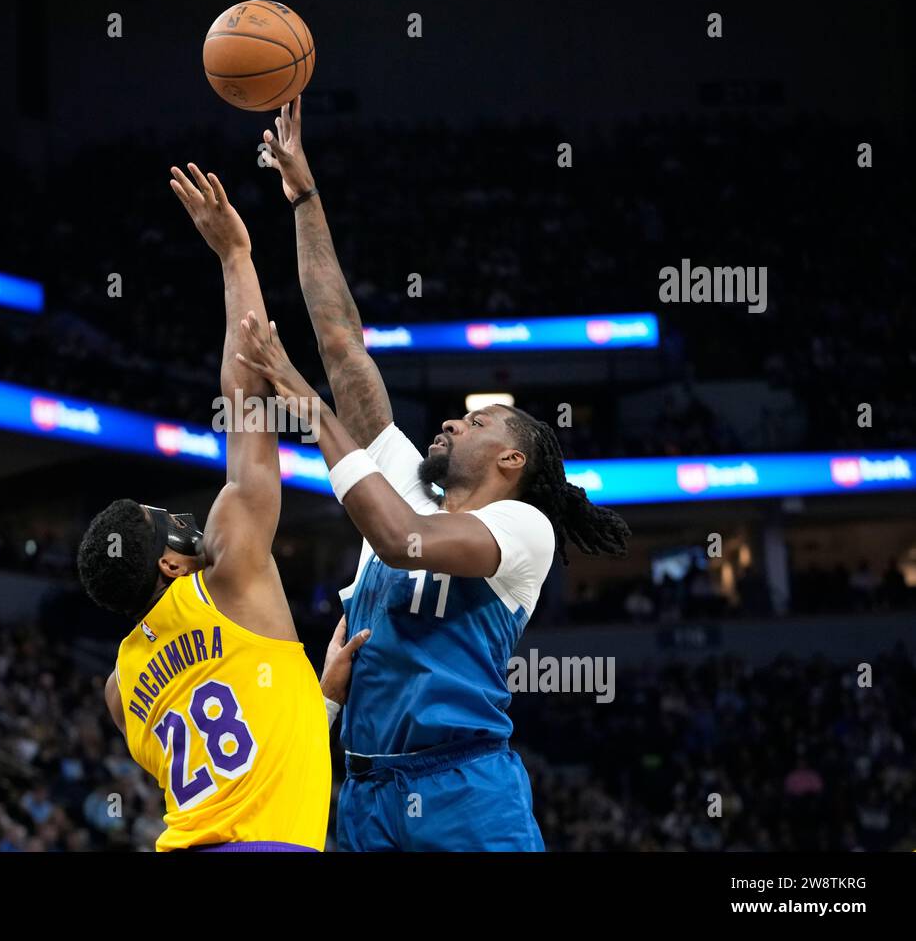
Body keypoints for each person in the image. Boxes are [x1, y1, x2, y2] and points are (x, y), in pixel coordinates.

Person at [254, 99, 631, 850]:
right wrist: (303, 198)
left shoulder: (522, 529)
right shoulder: (401, 473)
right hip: (362, 792)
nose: (455, 421)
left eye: (479, 423)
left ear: (511, 461)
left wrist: (314, 416)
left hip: (462, 789)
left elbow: (403, 542)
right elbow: (339, 342)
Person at [75, 164, 338, 851]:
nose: (182, 517)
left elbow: (236, 758)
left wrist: (317, 701)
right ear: (167, 561)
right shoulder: (232, 573)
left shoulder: (119, 689)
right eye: (165, 519)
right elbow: (245, 394)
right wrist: (236, 256)